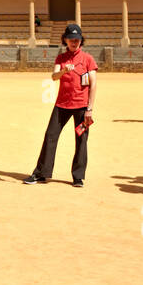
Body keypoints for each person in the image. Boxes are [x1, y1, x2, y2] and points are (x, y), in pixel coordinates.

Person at [24, 23, 97, 188]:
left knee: (81, 139)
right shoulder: (61, 58)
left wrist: (89, 109)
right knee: (50, 135)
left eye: (77, 39)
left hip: (81, 106)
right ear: (65, 40)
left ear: (80, 40)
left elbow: (93, 85)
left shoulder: (88, 59)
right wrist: (64, 71)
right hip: (62, 104)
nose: (74, 42)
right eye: (71, 39)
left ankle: (78, 176)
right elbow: (54, 76)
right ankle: (41, 173)